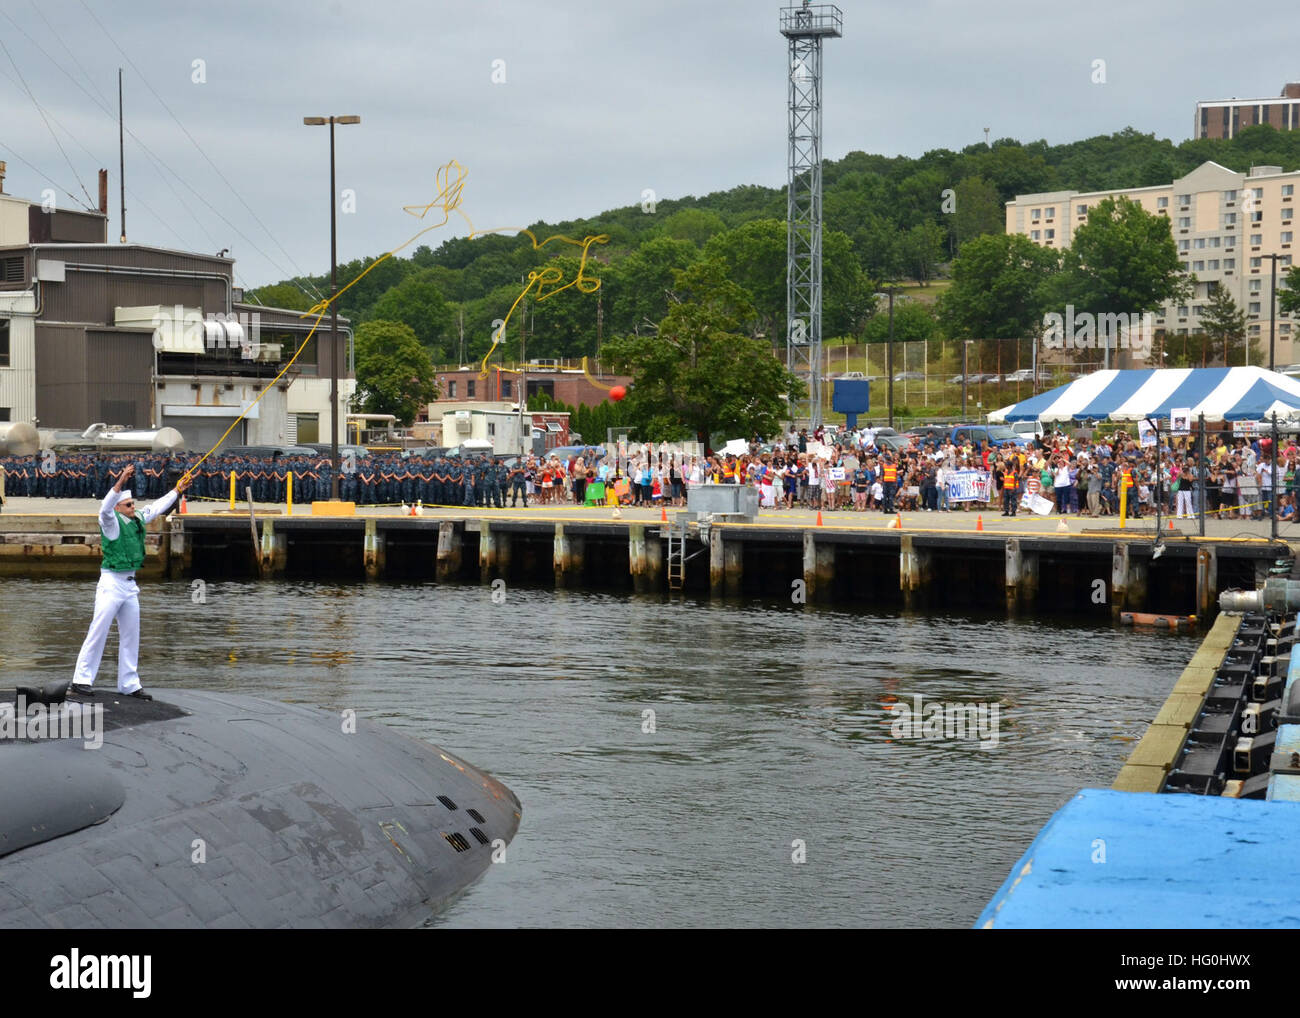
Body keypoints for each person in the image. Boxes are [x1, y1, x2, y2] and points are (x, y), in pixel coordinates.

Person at [70, 463, 190, 701]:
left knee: (131, 635)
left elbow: (156, 507)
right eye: (128, 505)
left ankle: (129, 683)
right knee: (99, 630)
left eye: (133, 504)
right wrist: (121, 481)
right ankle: (81, 680)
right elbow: (104, 508)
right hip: (111, 583)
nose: (133, 507)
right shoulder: (111, 522)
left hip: (129, 585)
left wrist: (177, 491)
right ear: (118, 507)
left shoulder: (136, 518)